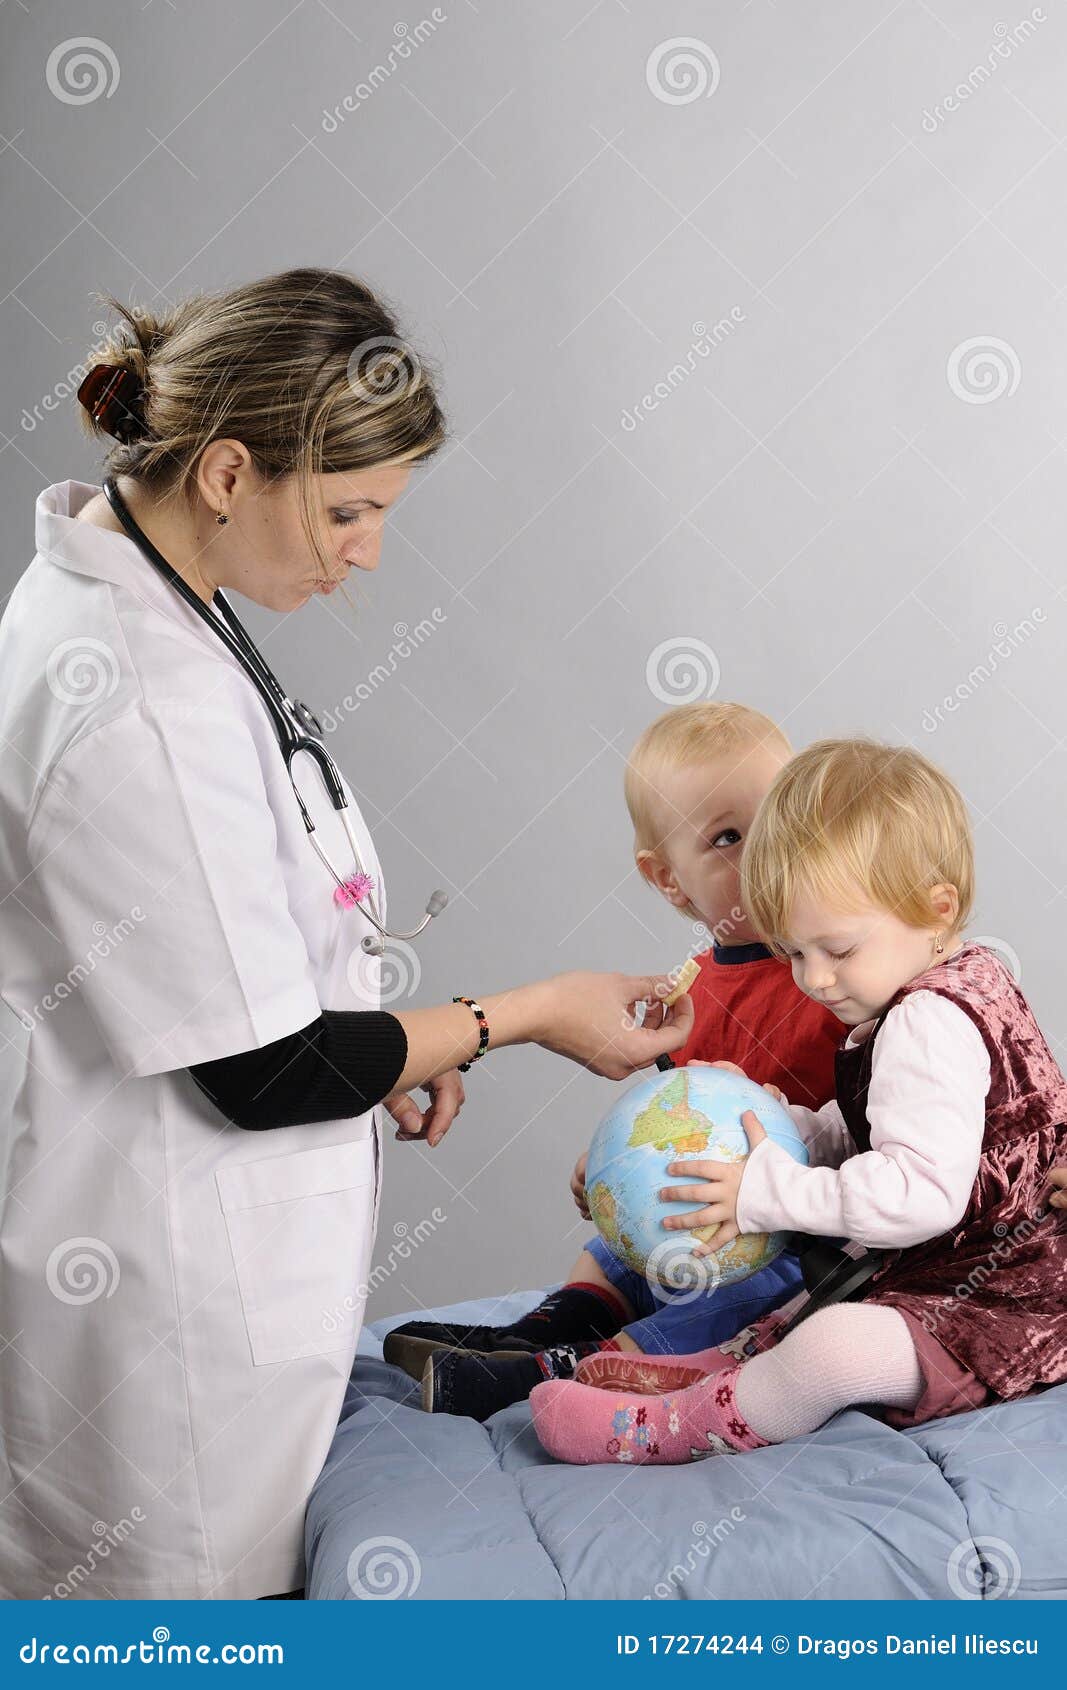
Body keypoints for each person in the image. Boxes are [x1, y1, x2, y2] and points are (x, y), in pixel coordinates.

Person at [0, 268, 693, 1600]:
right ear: (226, 471)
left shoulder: (160, 610)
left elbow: (250, 974)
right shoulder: (138, 699)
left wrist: (390, 1044)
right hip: (173, 1336)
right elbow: (265, 1069)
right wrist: (528, 1013)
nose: (365, 550)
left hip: (200, 1274)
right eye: (346, 511)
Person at [530, 738, 1067, 1464]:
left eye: (835, 951)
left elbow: (919, 1195)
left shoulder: (925, 1021)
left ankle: (678, 1425)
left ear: (935, 908)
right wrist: (786, 1132)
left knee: (834, 1348)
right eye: (792, 952)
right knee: (816, 1296)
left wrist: (769, 1193)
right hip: (976, 1271)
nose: (812, 979)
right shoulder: (958, 979)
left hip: (1010, 1302)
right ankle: (727, 1366)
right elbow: (882, 1131)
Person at [382, 702, 842, 1417]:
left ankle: (568, 1368)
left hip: (805, 1230)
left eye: (782, 822)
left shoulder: (840, 968)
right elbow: (678, 1119)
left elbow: (920, 1087)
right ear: (667, 880)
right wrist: (617, 1168)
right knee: (612, 1249)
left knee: (767, 1286)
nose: (764, 854)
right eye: (726, 837)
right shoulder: (687, 992)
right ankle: (546, 1324)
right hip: (704, 1214)